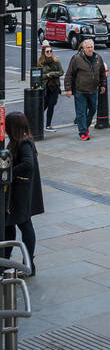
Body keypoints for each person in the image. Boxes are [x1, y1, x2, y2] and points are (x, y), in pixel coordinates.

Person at [2, 112, 43, 276]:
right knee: (10, 224)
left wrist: (7, 172)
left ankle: (29, 265)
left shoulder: (24, 143)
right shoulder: (19, 141)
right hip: (19, 192)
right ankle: (7, 261)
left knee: (24, 225)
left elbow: (28, 164)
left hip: (21, 193)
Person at [64, 37, 106, 141]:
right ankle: (82, 132)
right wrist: (68, 89)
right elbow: (69, 74)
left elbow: (102, 73)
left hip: (93, 90)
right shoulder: (76, 59)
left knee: (93, 109)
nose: (90, 49)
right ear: (83, 48)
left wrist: (103, 85)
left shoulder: (98, 58)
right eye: (88, 47)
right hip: (80, 90)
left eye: (92, 47)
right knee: (81, 112)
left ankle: (85, 126)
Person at [39, 41, 64, 130]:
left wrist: (52, 74)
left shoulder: (56, 61)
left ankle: (48, 125)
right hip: (45, 88)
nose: (49, 53)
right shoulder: (40, 63)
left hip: (54, 87)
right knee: (43, 107)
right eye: (47, 52)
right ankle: (36, 124)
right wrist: (47, 75)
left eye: (50, 51)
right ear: (44, 53)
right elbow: (38, 76)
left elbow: (61, 72)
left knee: (51, 105)